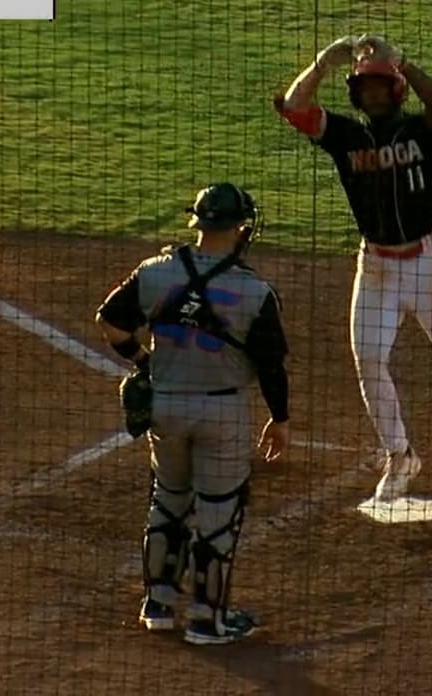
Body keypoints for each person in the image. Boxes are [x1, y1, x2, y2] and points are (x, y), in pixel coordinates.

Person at [272, 33, 432, 516]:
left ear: (394, 91)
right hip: (375, 267)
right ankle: (400, 456)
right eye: (364, 87)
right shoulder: (344, 136)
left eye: (378, 85)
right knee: (368, 358)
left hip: (430, 264)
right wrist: (324, 62)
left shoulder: (423, 133)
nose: (370, 93)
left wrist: (402, 63)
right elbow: (292, 106)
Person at [94, 183, 291, 646]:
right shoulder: (253, 290)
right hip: (221, 410)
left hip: (165, 407)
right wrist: (280, 419)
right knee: (218, 513)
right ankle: (207, 620)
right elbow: (270, 367)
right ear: (241, 227)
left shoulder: (156, 271)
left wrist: (144, 361)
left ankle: (158, 605)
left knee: (169, 499)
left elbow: (109, 322)